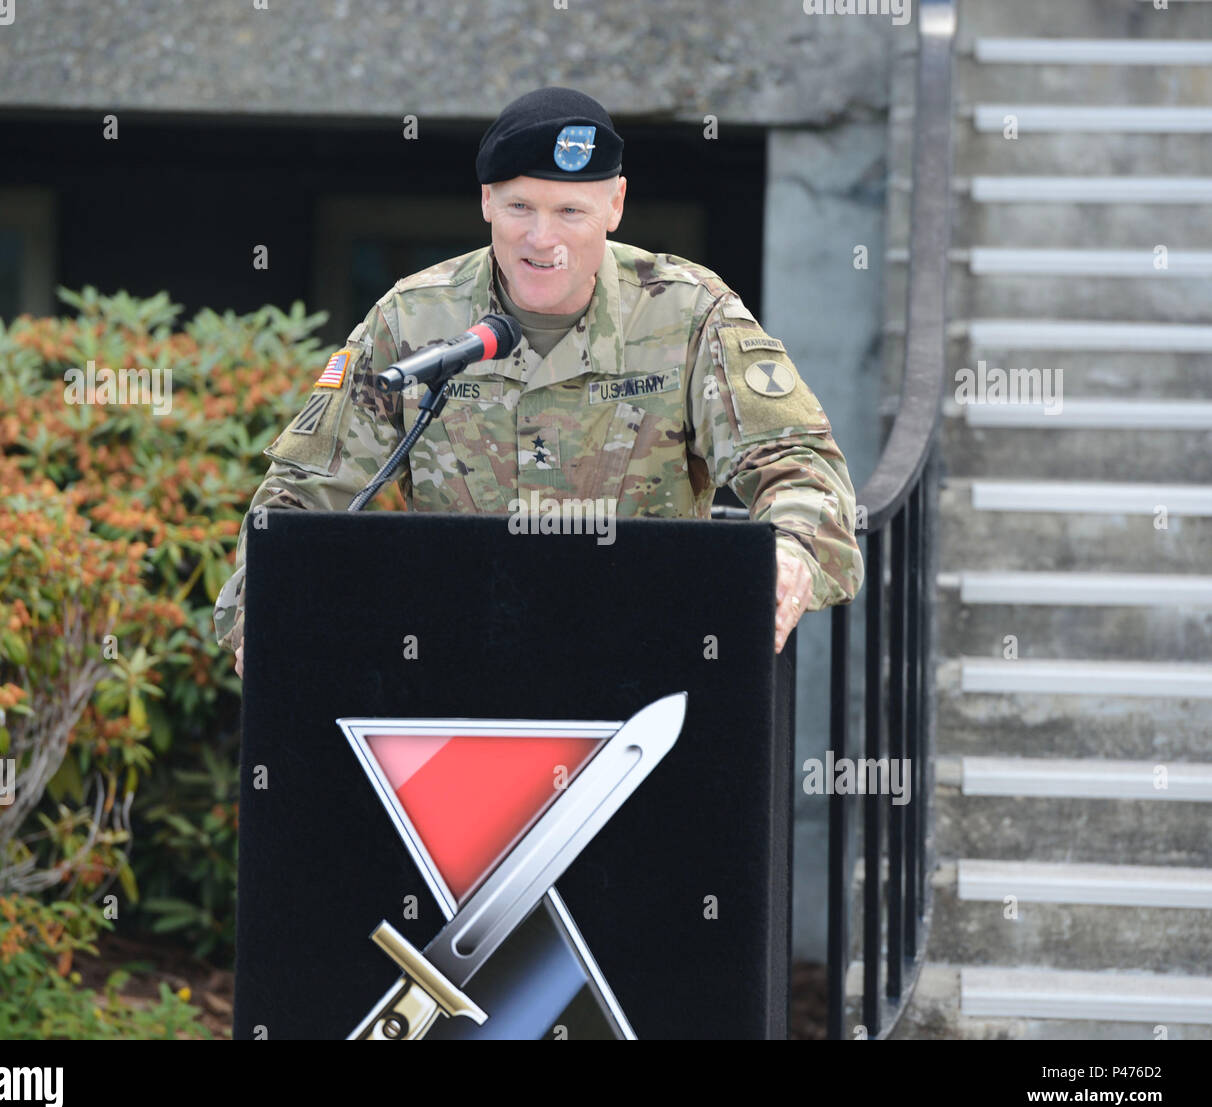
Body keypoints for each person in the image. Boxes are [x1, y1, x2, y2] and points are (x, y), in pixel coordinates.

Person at [214, 87, 863, 676]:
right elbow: (302, 491)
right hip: (455, 674)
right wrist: (263, 612)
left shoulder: (690, 315)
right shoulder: (413, 318)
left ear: (615, 205)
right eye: (520, 205)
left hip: (646, 669)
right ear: (486, 200)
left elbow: (798, 465)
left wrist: (789, 555)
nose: (542, 238)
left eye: (570, 211)